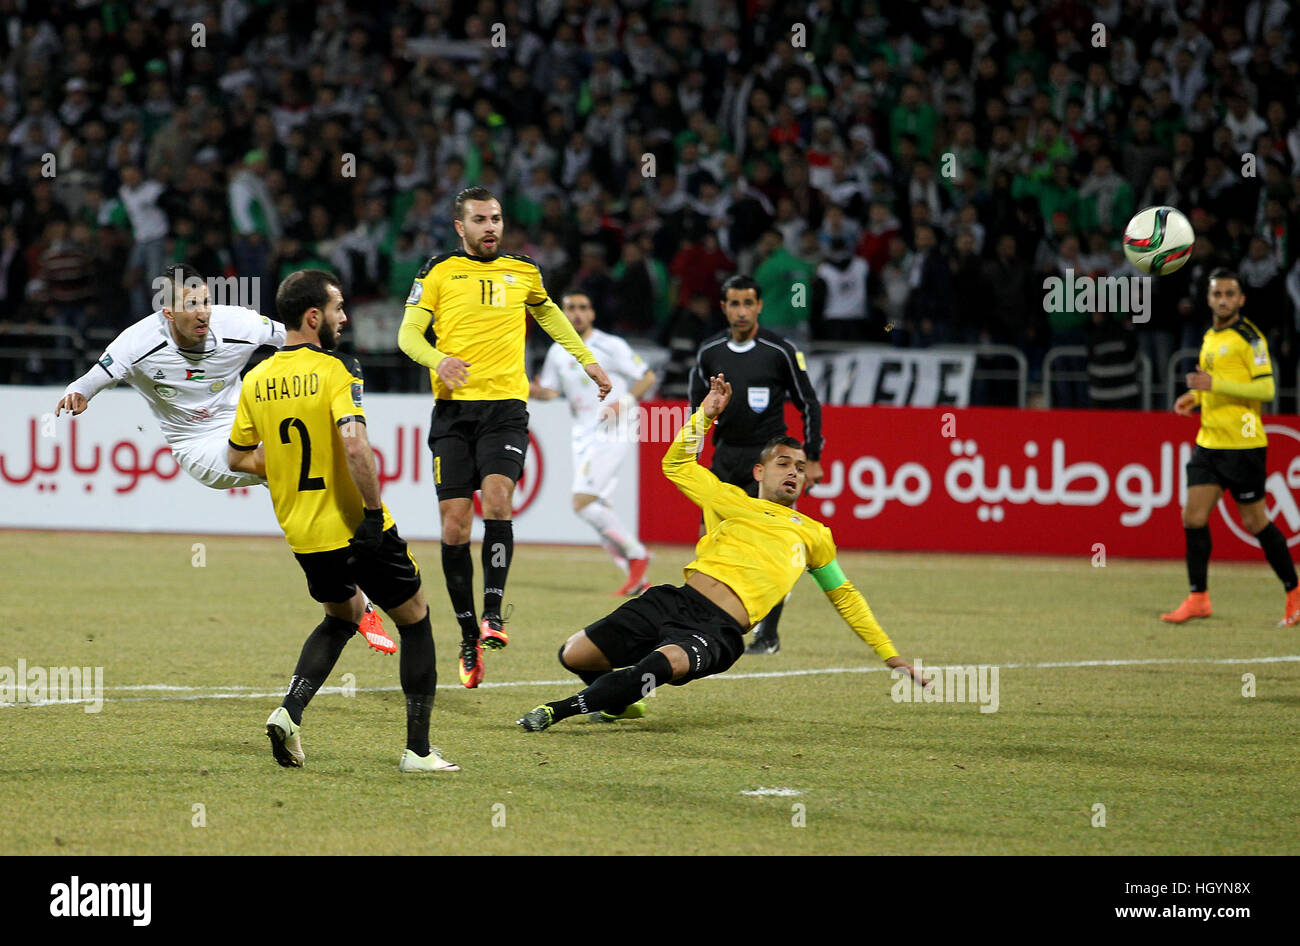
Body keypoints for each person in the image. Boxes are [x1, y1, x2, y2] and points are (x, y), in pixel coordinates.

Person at [516, 373, 924, 731]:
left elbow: (845, 597)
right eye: (785, 464)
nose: (794, 473)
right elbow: (675, 465)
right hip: (675, 600)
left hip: (718, 630)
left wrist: (891, 656)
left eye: (800, 468)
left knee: (659, 665)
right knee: (574, 654)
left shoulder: (814, 533)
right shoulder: (728, 499)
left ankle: (556, 711)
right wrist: (705, 415)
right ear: (760, 472)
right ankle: (620, 703)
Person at [54, 262, 395, 654]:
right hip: (199, 446)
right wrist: (79, 392)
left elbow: (295, 335)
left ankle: (355, 582)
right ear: (167, 312)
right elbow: (97, 375)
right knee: (296, 465)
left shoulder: (237, 324)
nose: (202, 312)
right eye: (191, 304)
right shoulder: (137, 343)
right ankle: (361, 599)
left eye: (206, 301)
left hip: (245, 422)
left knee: (316, 467)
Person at [228, 269, 457, 773]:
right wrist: (374, 516)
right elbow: (354, 444)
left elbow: (236, 459)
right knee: (416, 621)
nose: (344, 317)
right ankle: (417, 751)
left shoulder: (255, 379)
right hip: (355, 526)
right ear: (314, 317)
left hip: (304, 534)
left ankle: (289, 712)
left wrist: (285, 470)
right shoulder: (338, 368)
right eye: (337, 308)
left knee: (341, 618)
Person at [398, 186, 612, 689]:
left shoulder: (524, 271)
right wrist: (438, 360)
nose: (490, 227)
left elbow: (550, 314)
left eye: (496, 218)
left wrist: (589, 362)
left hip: (506, 411)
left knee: (497, 499)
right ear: (460, 227)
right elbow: (407, 336)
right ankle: (469, 634)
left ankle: (494, 613)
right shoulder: (437, 272)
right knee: (454, 527)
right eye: (479, 220)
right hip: (452, 413)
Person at [689, 275, 824, 654]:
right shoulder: (709, 352)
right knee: (709, 539)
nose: (742, 311)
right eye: (734, 303)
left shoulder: (779, 350)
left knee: (771, 549)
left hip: (769, 459)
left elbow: (808, 402)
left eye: (748, 303)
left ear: (760, 306)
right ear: (723, 307)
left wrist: (811, 457)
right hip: (726, 457)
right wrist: (692, 453)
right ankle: (707, 621)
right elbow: (695, 408)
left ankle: (768, 634)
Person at [1163, 268, 1300, 626]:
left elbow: (1266, 390)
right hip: (1209, 443)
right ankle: (1198, 598)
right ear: (1208, 299)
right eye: (1216, 294)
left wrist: (1215, 384)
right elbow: (1215, 385)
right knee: (1192, 517)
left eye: (1229, 294)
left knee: (1256, 522)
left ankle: (1294, 591)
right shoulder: (1209, 336)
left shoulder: (1250, 339)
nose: (1222, 300)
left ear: (1241, 299)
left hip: (1243, 445)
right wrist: (1195, 396)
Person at [530, 290, 658, 595]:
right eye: (570, 308)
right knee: (599, 508)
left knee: (582, 501)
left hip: (613, 427)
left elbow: (647, 377)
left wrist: (622, 403)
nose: (576, 313)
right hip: (582, 434)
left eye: (582, 307)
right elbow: (549, 391)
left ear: (593, 314)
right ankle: (636, 577)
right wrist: (525, 387)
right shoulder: (559, 351)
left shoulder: (610, 345)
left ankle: (637, 554)